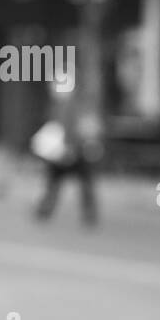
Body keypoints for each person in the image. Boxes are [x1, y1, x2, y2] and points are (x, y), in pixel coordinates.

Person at [32, 83, 102, 226]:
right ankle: (46, 210)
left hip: (75, 152)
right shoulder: (58, 106)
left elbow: (86, 128)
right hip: (64, 153)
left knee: (80, 184)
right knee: (56, 183)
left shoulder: (76, 106)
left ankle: (89, 215)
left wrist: (76, 146)